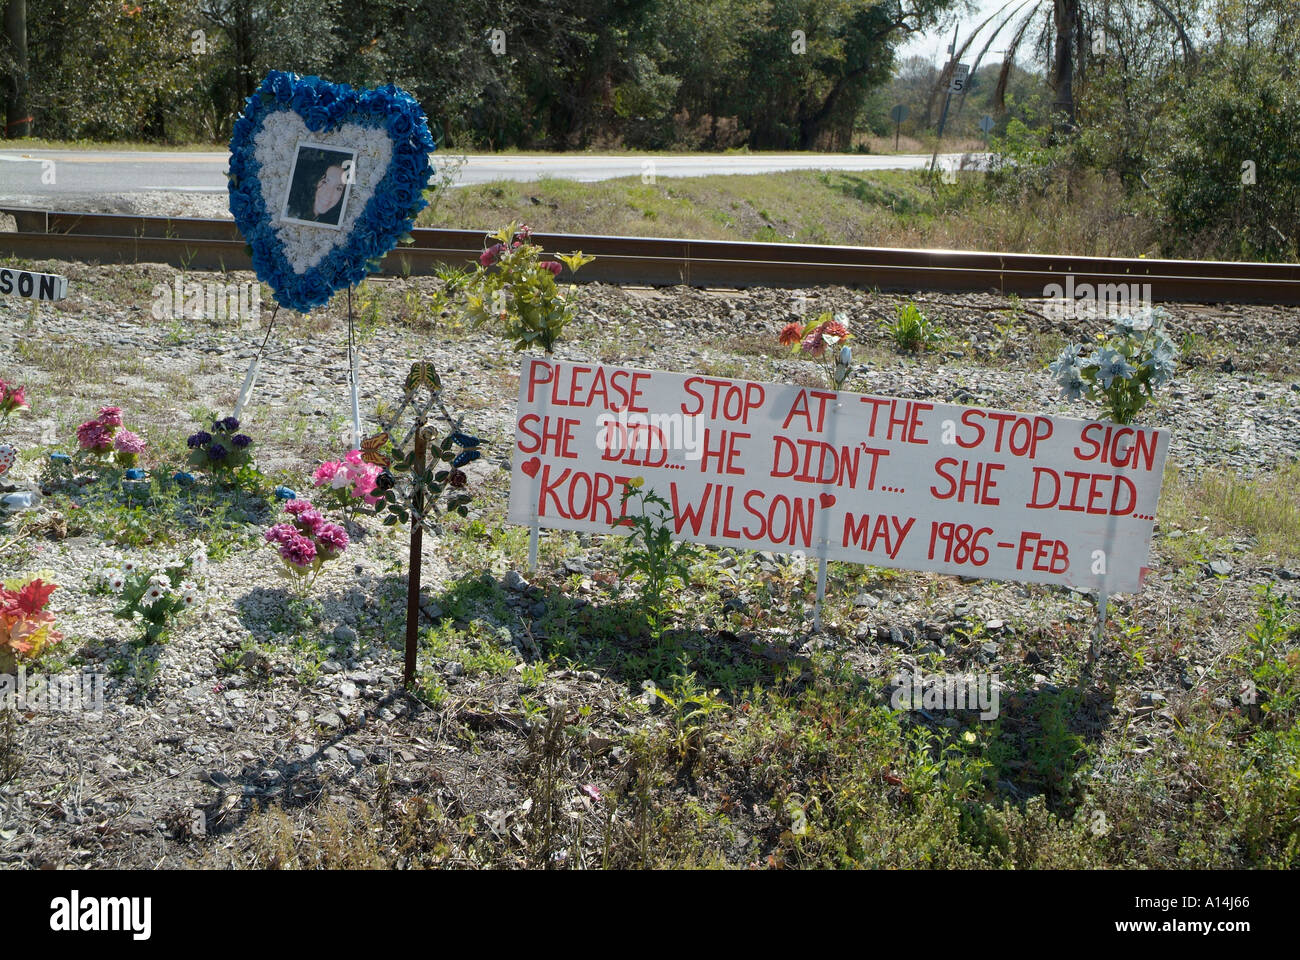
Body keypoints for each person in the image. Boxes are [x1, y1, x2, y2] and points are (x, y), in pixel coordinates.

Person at [284, 148, 352, 226]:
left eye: (338, 188)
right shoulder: (288, 211)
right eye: (325, 182)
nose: (329, 194)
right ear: (315, 181)